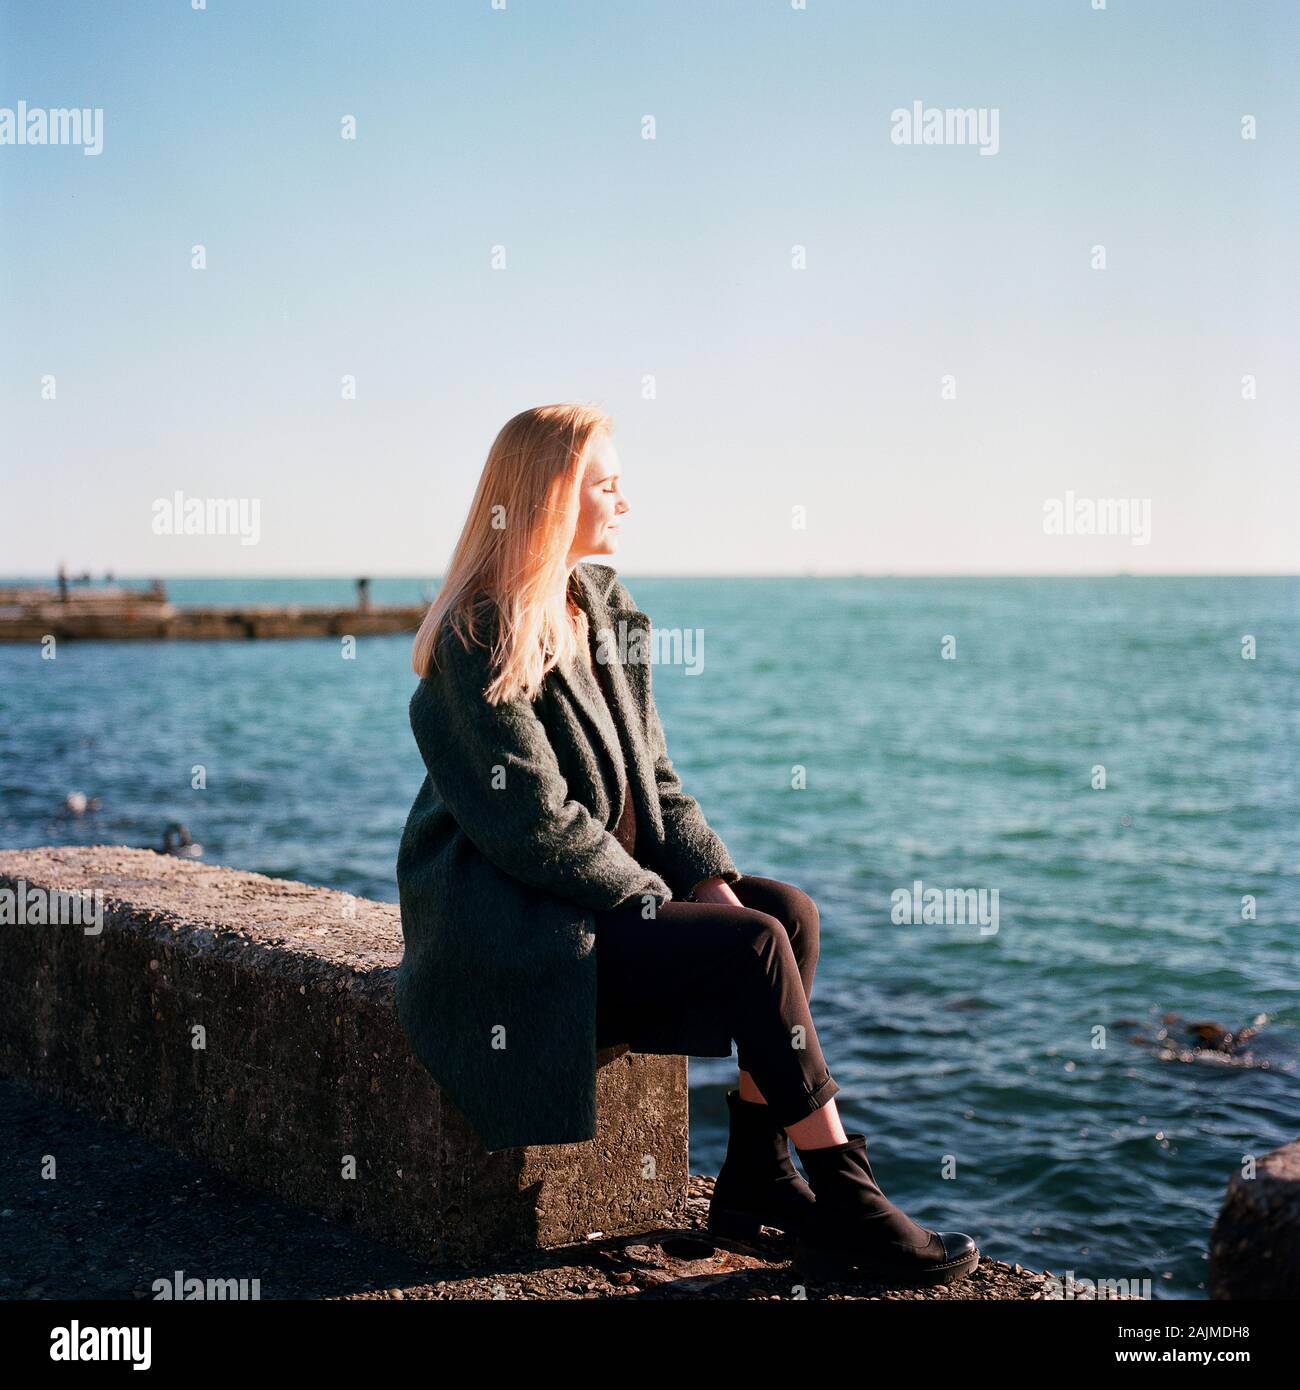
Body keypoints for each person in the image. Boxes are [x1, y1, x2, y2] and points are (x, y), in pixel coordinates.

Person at [395, 402, 978, 1287]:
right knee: (750, 947)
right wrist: (655, 902)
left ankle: (756, 1178)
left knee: (785, 915)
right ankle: (852, 1201)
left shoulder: (606, 607)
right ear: (552, 498)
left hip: (600, 898)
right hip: (517, 924)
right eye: (608, 485)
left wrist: (707, 879)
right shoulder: (477, 639)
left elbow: (658, 780)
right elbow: (534, 826)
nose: (625, 501)